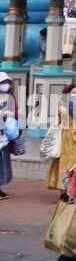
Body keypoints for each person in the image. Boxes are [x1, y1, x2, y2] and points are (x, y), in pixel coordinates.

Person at [45, 83, 76, 190]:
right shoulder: (62, 106)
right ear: (67, 94)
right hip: (65, 140)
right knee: (65, 164)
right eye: (74, 93)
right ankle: (63, 189)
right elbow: (63, 115)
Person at [0, 71, 23, 200]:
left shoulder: (11, 98)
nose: (6, 85)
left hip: (6, 136)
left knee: (3, 161)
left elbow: (15, 114)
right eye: (3, 82)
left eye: (7, 82)